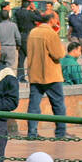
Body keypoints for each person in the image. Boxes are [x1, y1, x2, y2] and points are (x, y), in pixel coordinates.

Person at [25, 11, 68, 139]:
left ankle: (32, 132)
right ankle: (60, 133)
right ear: (51, 20)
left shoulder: (33, 32)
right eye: (56, 18)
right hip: (51, 76)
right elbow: (58, 54)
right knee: (58, 105)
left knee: (33, 106)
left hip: (35, 74)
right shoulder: (51, 34)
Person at [0, 7, 21, 72]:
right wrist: (19, 45)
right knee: (10, 66)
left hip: (1, 47)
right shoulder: (14, 25)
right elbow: (18, 37)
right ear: (8, 17)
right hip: (11, 48)